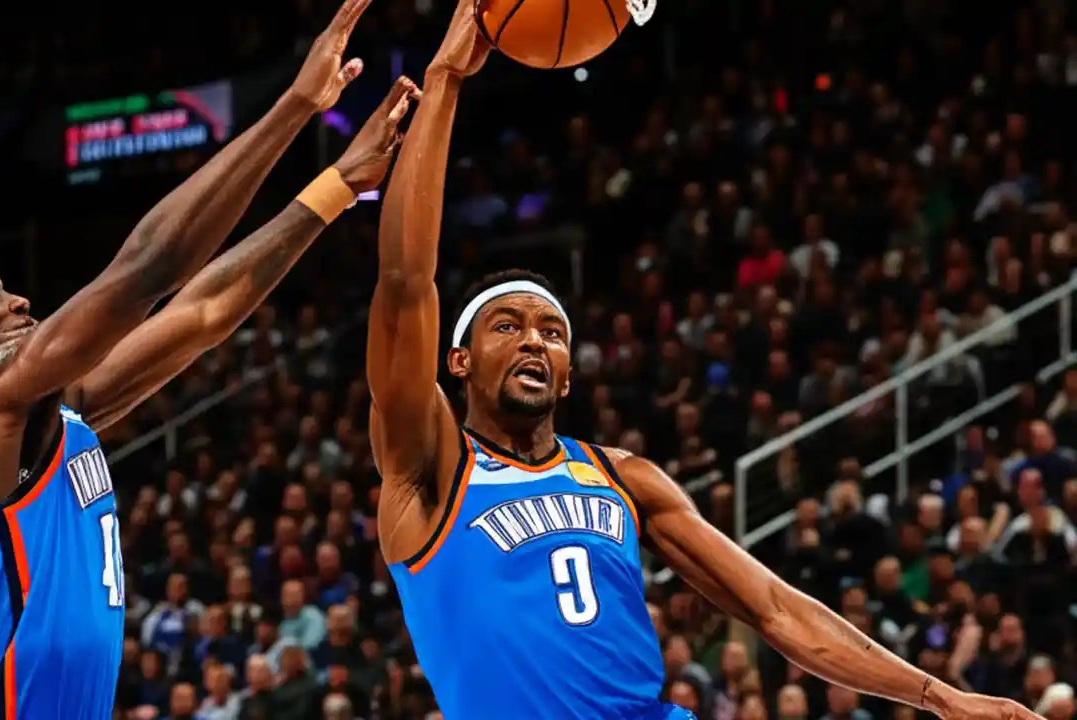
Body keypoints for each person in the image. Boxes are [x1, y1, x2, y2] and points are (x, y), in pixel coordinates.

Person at [364, 2, 1043, 719]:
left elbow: (777, 610)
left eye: (554, 333)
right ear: (460, 360)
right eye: (508, 326)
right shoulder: (429, 465)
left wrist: (942, 698)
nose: (536, 340)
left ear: (570, 374)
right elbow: (406, 283)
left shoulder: (624, 477)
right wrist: (443, 78)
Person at [0, 1, 417, 715]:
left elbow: (202, 313)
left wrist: (337, 187)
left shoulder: (41, 412)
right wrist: (296, 105)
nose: (19, 302)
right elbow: (152, 266)